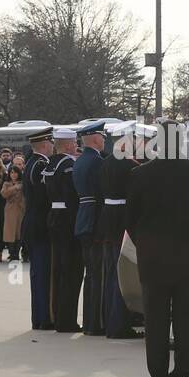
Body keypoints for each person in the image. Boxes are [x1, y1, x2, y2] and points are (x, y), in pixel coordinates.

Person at [128, 121, 189, 377]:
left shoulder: (140, 175)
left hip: (153, 259)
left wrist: (145, 244)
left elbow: (131, 220)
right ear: (181, 143)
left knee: (155, 322)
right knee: (185, 320)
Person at [99, 123, 141, 339]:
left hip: (107, 217)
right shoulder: (130, 165)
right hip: (122, 219)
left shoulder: (105, 163)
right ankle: (118, 325)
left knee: (110, 273)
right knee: (121, 274)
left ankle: (108, 321)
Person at [43, 127, 83, 332]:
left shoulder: (51, 163)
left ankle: (59, 315)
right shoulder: (68, 165)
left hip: (54, 216)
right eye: (75, 143)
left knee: (60, 270)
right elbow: (73, 195)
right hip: (67, 219)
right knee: (72, 271)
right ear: (68, 144)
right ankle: (67, 320)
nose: (76, 146)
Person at [72, 122, 106, 335]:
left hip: (83, 217)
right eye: (102, 137)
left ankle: (91, 322)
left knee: (90, 273)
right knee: (96, 273)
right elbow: (101, 193)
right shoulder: (96, 162)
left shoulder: (81, 160)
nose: (104, 140)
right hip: (94, 218)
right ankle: (95, 323)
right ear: (94, 138)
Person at [23, 128, 54, 329]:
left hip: (33, 224)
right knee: (42, 274)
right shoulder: (41, 165)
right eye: (51, 142)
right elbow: (45, 196)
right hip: (40, 225)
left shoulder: (31, 163)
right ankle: (44, 318)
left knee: (38, 274)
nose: (53, 146)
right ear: (44, 144)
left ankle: (39, 318)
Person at [1, 164, 26, 261]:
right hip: (10, 210)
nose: (13, 175)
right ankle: (12, 253)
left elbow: (25, 196)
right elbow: (4, 194)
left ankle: (17, 252)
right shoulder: (6, 184)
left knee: (19, 231)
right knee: (10, 232)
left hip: (20, 209)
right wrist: (14, 188)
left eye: (15, 172)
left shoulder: (23, 183)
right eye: (11, 173)